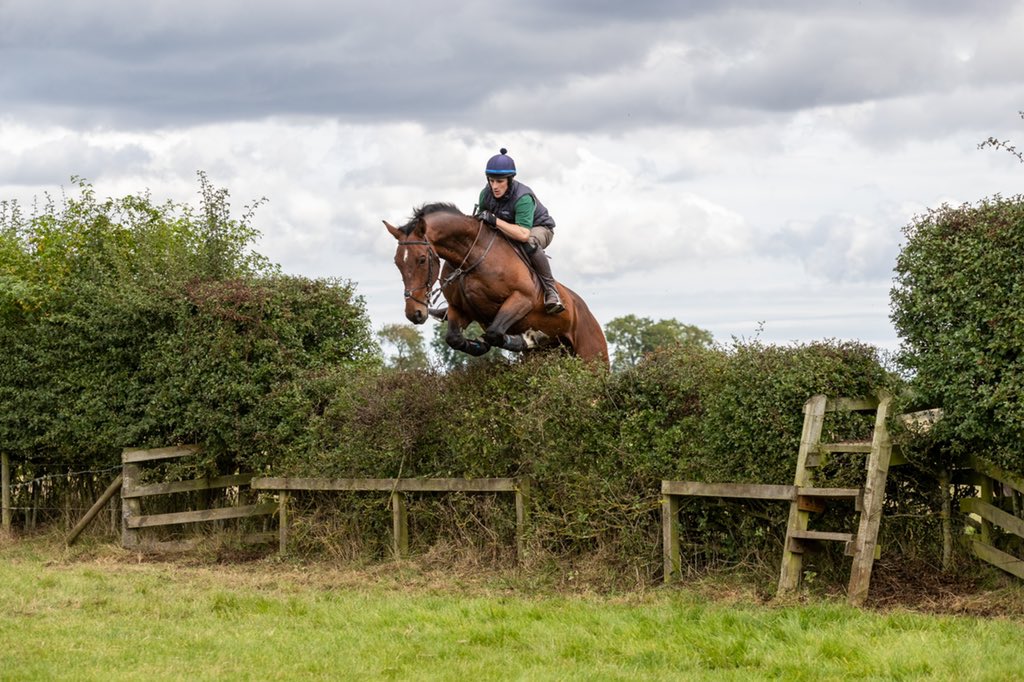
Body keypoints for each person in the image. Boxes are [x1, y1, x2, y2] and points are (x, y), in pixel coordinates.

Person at [475, 148, 565, 314]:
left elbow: (523, 234)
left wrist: (495, 221)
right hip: (509, 228)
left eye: (499, 181)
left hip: (538, 228)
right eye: (491, 181)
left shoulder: (523, 197)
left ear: (509, 180)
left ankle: (551, 291)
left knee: (529, 243)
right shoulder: (485, 194)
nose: (494, 186)